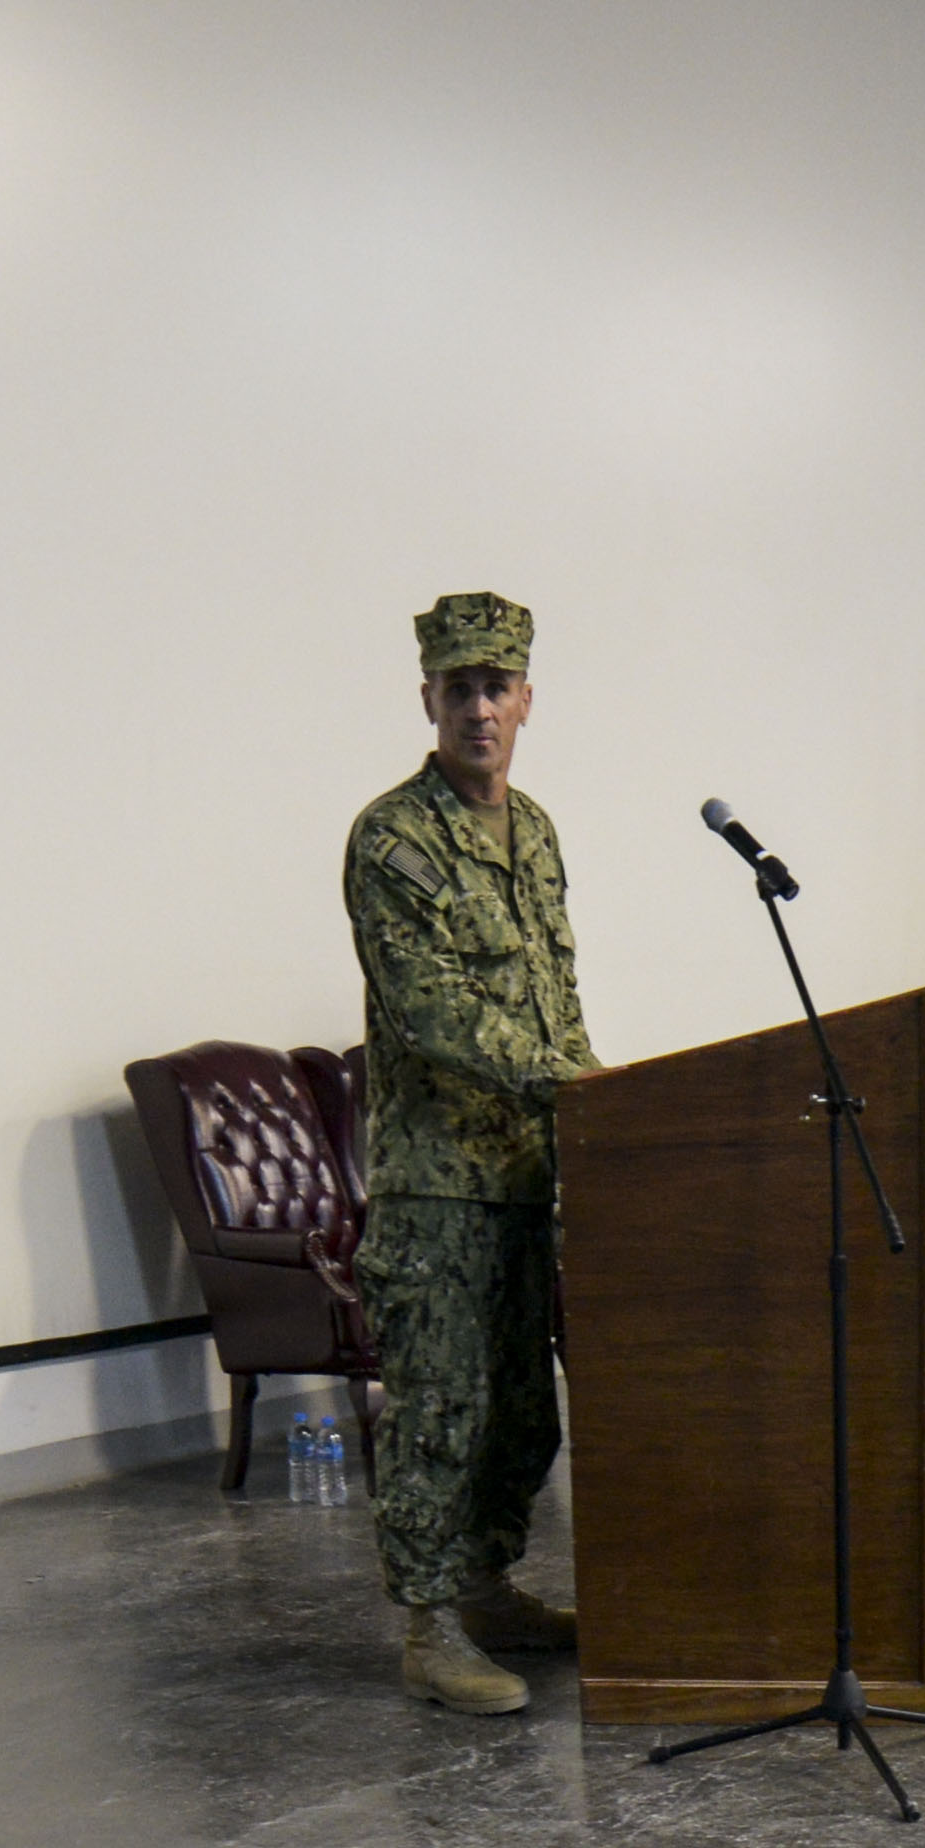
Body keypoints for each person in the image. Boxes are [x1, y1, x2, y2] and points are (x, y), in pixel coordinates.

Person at [341, 590, 596, 1716]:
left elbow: (557, 995)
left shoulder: (533, 831)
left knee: (521, 1408)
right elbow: (431, 1011)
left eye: (498, 686)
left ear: (528, 700)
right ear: (429, 700)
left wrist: (606, 1113)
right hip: (436, 1183)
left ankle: (489, 1586)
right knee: (443, 1406)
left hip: (526, 1176)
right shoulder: (390, 837)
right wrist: (567, 1081)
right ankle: (430, 1628)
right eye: (460, 688)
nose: (479, 707)